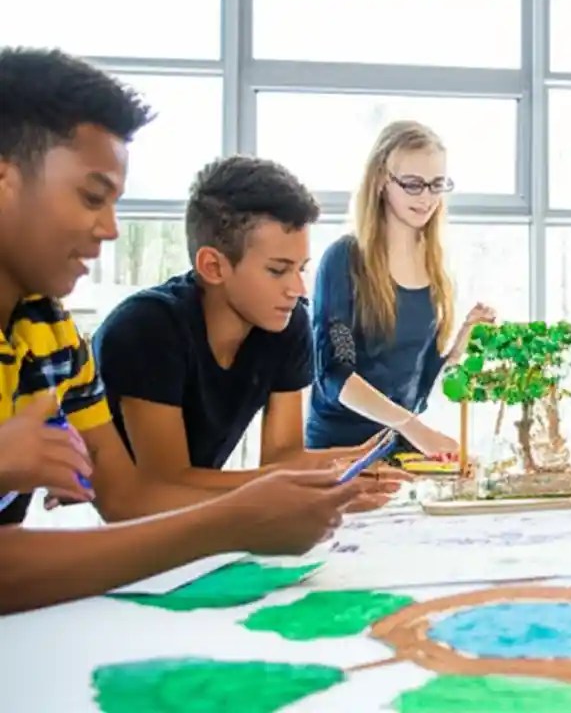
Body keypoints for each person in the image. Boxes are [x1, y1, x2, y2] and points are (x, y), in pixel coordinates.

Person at [0, 47, 374, 613]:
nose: (110, 230)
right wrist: (237, 515)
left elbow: (125, 497)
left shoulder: (50, 333)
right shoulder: (146, 327)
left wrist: (267, 499)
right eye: (91, 197)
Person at [93, 156, 379, 493]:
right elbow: (165, 485)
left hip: (187, 516)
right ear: (213, 266)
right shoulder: (145, 330)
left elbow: (282, 459)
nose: (298, 289)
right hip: (96, 522)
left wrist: (358, 462)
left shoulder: (286, 323)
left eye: (300, 268)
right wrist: (307, 483)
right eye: (277, 270)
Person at [307, 121, 492, 453]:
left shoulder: (436, 266)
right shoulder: (344, 259)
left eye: (436, 185)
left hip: (400, 446)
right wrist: (411, 426)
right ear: (381, 180)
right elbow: (335, 375)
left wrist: (462, 342)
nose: (426, 198)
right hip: (339, 452)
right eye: (412, 184)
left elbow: (418, 387)